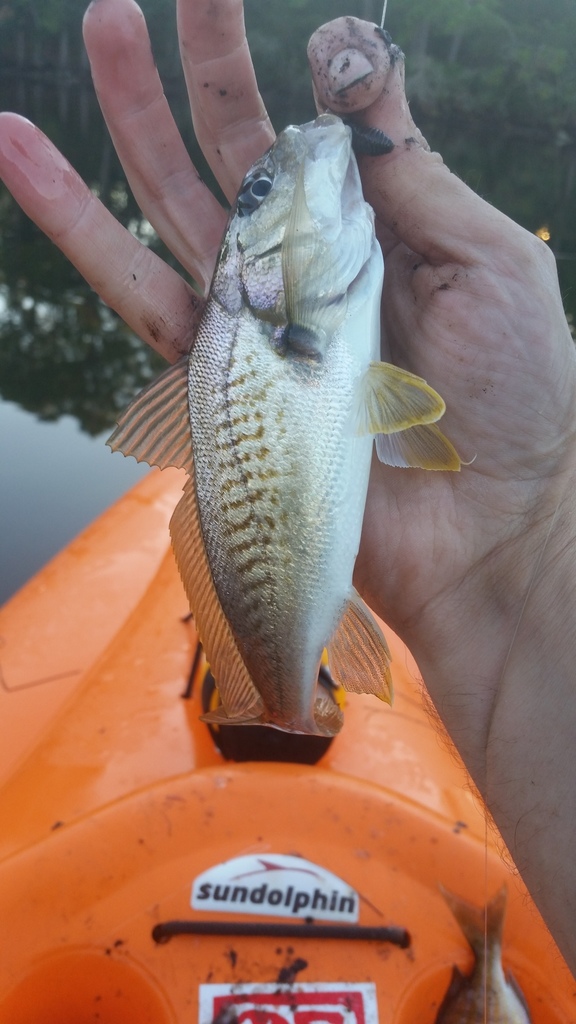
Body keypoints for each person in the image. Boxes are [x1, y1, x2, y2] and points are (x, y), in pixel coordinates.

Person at [1, 0, 575, 976]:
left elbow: (383, 396)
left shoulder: (294, 316)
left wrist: (538, 527)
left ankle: (284, 698)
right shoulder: (279, 323)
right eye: (264, 186)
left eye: (256, 185)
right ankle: (284, 695)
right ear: (260, 265)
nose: (284, 170)